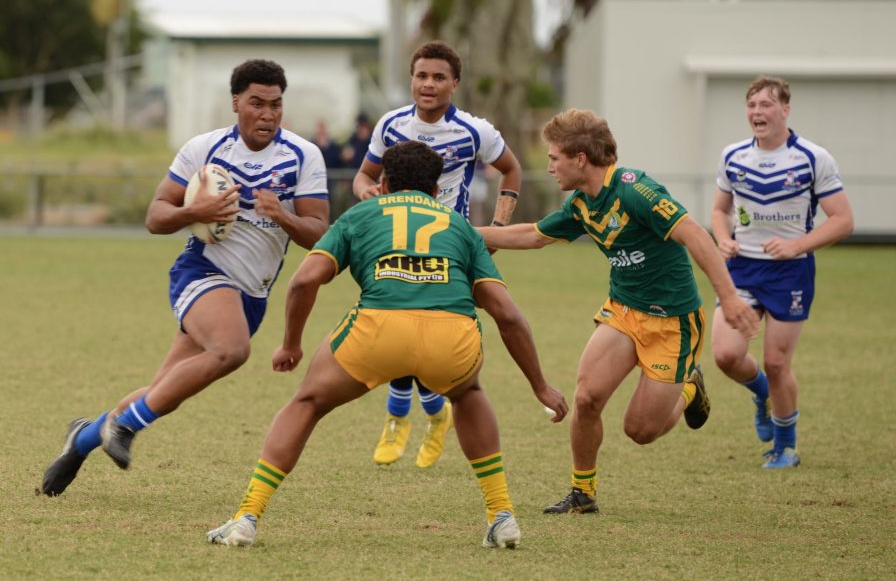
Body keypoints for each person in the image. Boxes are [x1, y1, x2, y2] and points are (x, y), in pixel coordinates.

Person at [206, 140, 568, 549]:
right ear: (435, 191)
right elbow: (506, 313)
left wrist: (291, 344)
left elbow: (305, 280)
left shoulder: (360, 214)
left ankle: (246, 518)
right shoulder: (459, 225)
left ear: (383, 184)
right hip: (450, 338)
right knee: (468, 395)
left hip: (378, 332)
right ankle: (502, 516)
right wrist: (539, 385)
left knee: (307, 403)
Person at [41, 59, 330, 496]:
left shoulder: (303, 156)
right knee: (232, 350)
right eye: (257, 103)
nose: (267, 114)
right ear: (237, 103)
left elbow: (320, 233)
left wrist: (283, 216)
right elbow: (156, 217)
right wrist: (195, 213)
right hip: (203, 272)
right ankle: (125, 428)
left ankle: (82, 439)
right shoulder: (204, 149)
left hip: (252, 295)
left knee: (163, 390)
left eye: (275, 105)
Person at [477, 109, 760, 514]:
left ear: (580, 158)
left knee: (640, 430)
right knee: (588, 398)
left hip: (672, 322)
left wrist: (729, 298)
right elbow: (533, 235)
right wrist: (465, 232)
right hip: (624, 311)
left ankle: (690, 387)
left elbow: (695, 234)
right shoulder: (582, 203)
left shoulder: (633, 190)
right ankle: (582, 493)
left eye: (555, 157)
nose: (550, 166)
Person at [352, 40, 523, 468]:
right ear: (411, 80)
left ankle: (425, 416)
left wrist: (498, 230)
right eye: (421, 75)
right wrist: (368, 193)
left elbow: (512, 170)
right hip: (395, 244)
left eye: (438, 77)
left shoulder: (474, 131)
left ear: (454, 84)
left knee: (426, 340)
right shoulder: (390, 125)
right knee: (398, 331)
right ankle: (407, 418)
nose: (428, 84)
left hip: (450, 249)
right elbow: (363, 177)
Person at [710, 76, 853, 469]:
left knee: (776, 362)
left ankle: (785, 446)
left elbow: (842, 220)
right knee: (725, 354)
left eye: (766, 105)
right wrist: (723, 237)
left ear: (785, 110)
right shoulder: (734, 155)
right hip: (741, 269)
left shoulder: (812, 158)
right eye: (752, 105)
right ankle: (762, 393)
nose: (757, 112)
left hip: (790, 273)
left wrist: (797, 245)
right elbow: (719, 210)